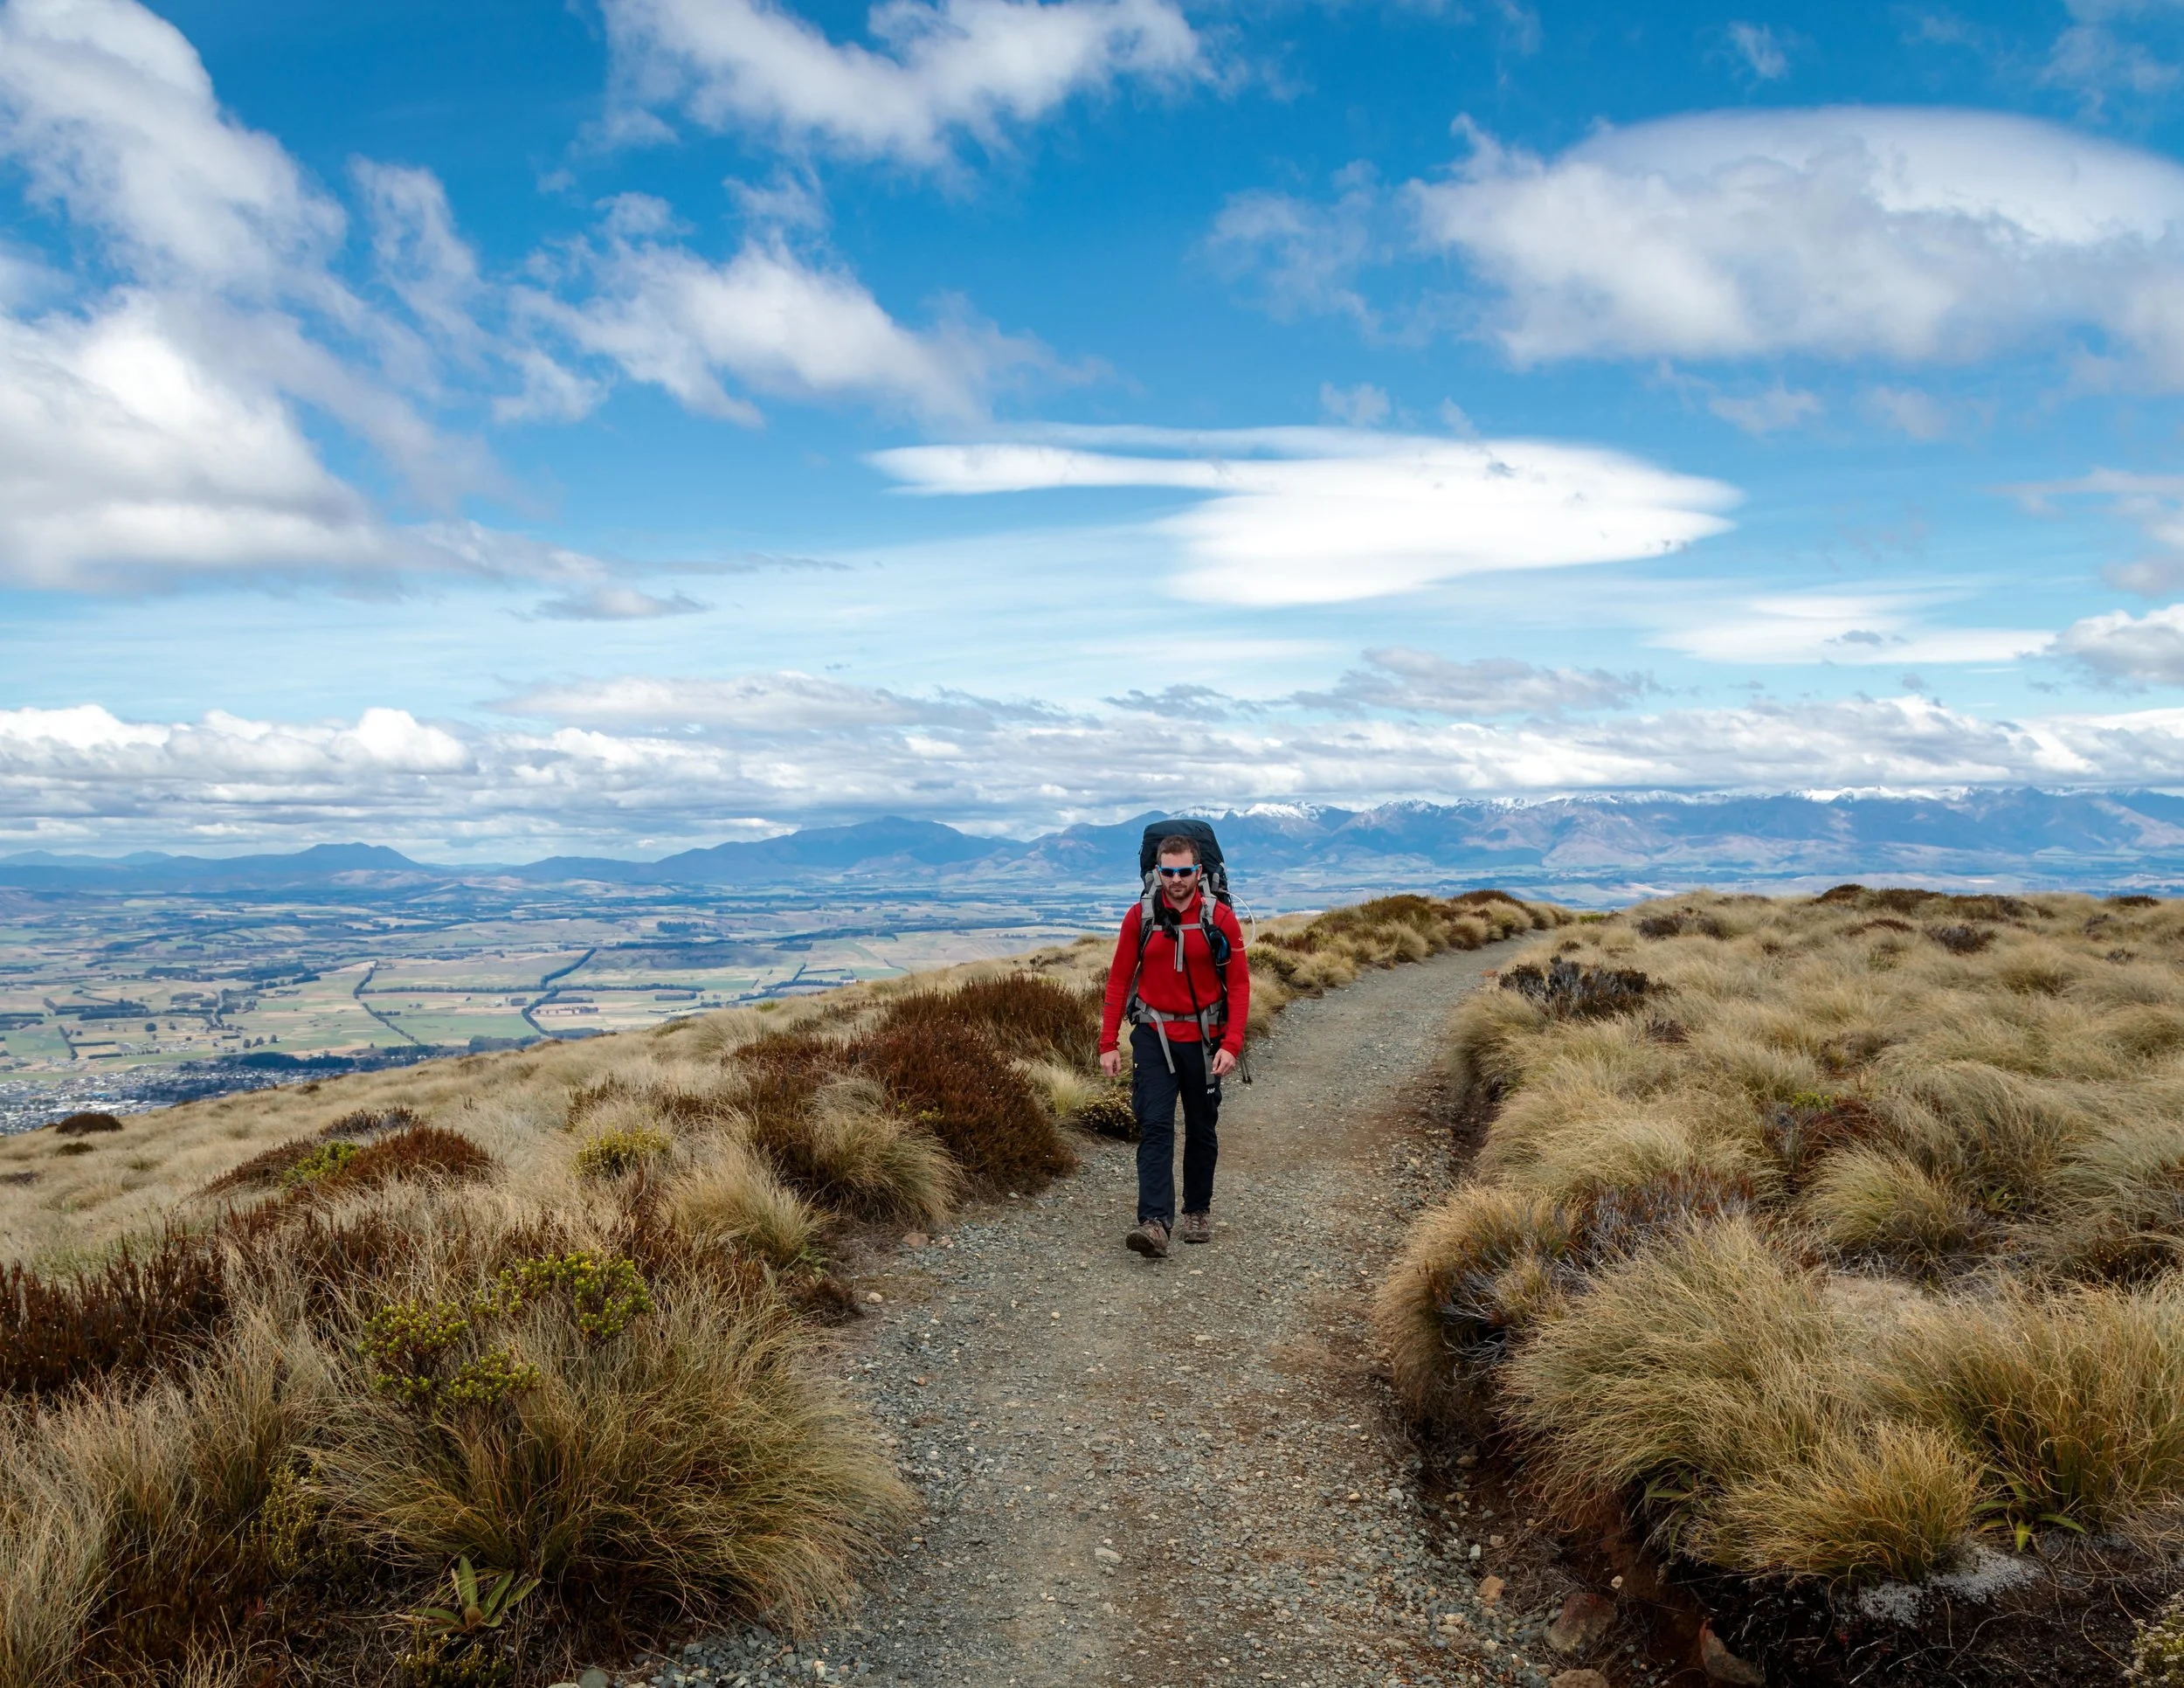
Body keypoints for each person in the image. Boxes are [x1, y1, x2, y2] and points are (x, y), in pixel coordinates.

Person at [1098, 833, 1250, 1258]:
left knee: (1202, 1128)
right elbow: (1118, 979)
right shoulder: (1140, 917)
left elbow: (1238, 985)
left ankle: (1197, 1211)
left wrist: (1232, 1044)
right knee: (1156, 1126)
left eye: (1184, 871)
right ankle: (1154, 1223)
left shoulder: (1219, 917)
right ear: (1157, 871)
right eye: (1168, 872)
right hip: (1153, 1035)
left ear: (1198, 871)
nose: (1176, 880)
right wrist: (1107, 1042)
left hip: (1205, 1039)